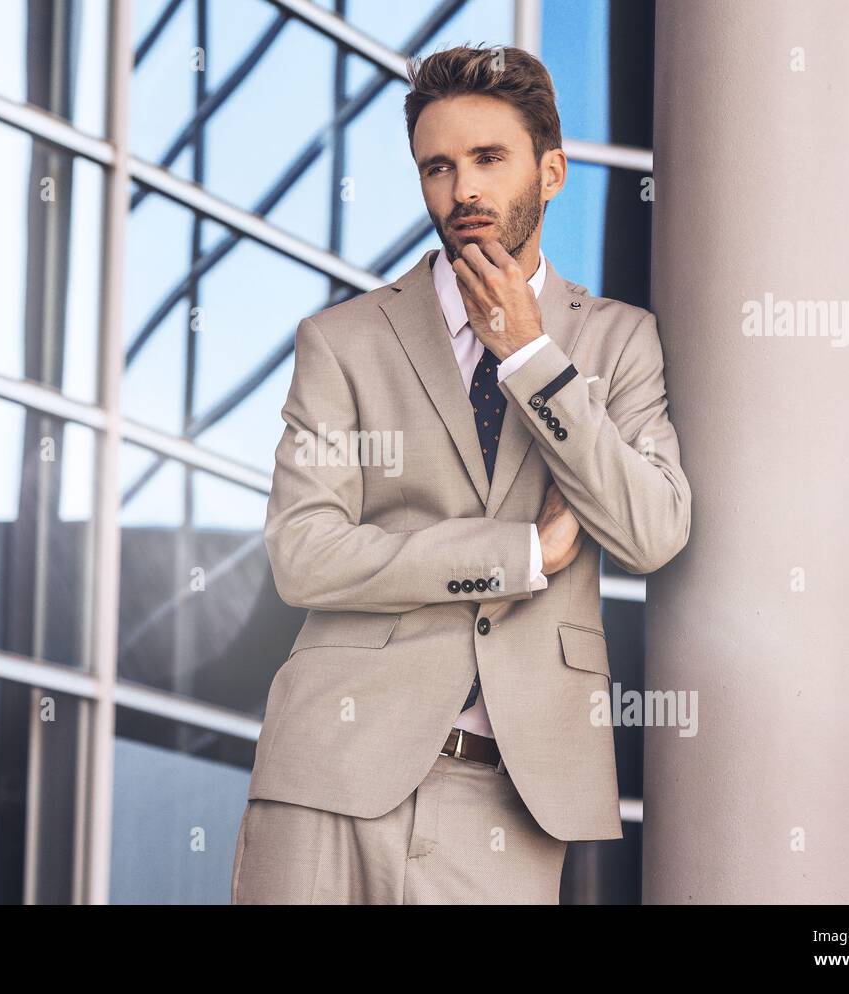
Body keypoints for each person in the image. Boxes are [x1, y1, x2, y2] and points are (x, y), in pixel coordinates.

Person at [231, 44, 691, 904]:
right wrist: (519, 553)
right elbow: (303, 553)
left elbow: (653, 530)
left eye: (488, 159)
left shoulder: (619, 340)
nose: (463, 190)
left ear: (550, 172)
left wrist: (530, 357)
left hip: (513, 795)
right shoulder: (344, 341)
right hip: (329, 772)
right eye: (437, 167)